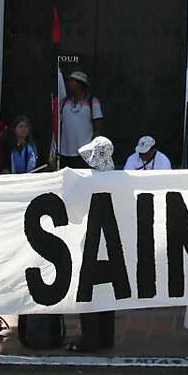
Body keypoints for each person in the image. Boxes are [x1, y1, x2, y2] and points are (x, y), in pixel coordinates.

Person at [66, 136, 119, 353]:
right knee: (107, 291)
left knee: (88, 291)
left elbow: (74, 211)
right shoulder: (119, 180)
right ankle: (105, 337)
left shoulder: (87, 182)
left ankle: (90, 338)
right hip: (114, 244)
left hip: (93, 243)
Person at [56, 73, 104, 168]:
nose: (69, 83)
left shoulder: (92, 101)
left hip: (84, 151)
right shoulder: (64, 102)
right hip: (65, 152)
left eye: (72, 81)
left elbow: (98, 124)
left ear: (80, 84)